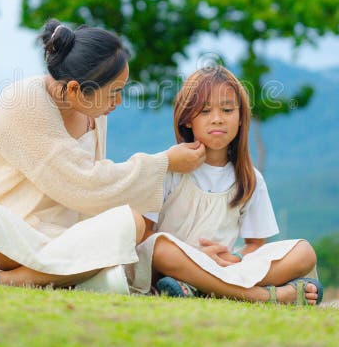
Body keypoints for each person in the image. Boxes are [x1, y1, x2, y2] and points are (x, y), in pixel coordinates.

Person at [0, 19, 206, 291]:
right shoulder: (23, 102)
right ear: (76, 89)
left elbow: (96, 196)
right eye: (114, 92)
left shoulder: (93, 112)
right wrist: (165, 162)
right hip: (4, 231)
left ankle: (14, 281)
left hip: (58, 239)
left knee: (130, 223)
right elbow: (84, 185)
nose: (119, 102)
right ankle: (42, 278)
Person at [129, 65, 323, 305]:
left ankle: (199, 288)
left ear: (241, 118)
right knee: (158, 248)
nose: (218, 118)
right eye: (205, 111)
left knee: (303, 253)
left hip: (225, 267)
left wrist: (232, 258)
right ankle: (263, 296)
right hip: (171, 267)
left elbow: (255, 245)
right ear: (188, 119)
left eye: (228, 109)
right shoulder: (169, 168)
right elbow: (143, 235)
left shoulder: (250, 178)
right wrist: (196, 257)